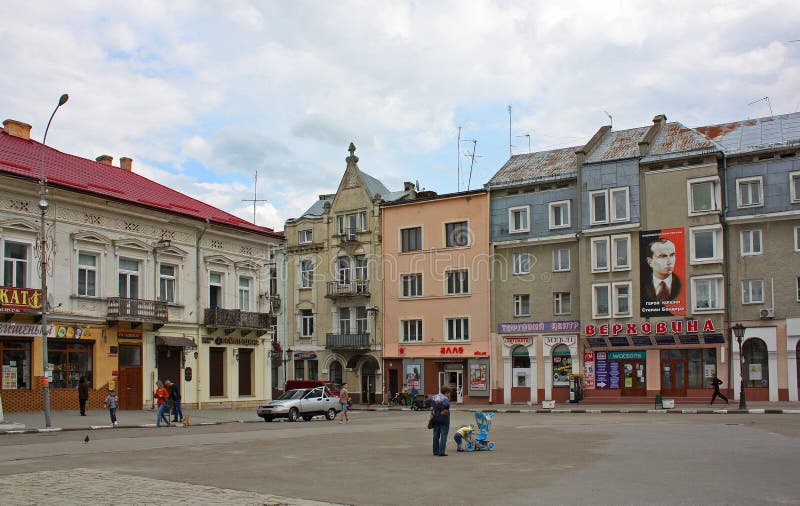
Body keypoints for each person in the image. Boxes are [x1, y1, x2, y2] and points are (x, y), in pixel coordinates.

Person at [641, 238, 682, 316]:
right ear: (650, 261)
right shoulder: (642, 286)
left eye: (672, 255)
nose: (669, 262)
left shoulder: (681, 284)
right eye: (663, 256)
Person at [429, 385, 451, 457]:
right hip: (444, 419)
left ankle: (435, 451)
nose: (449, 394)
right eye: (449, 393)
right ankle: (441, 452)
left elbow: (428, 401)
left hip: (435, 419)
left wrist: (433, 410)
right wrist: (443, 411)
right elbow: (446, 407)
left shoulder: (434, 397)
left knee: (436, 435)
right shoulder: (445, 399)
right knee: (444, 435)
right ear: (446, 392)